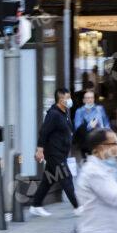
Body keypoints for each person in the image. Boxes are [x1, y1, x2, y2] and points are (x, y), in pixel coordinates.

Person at [30, 88, 80, 217]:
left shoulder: (65, 112)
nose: (70, 100)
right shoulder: (53, 114)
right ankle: (77, 206)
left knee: (48, 180)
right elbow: (44, 132)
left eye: (69, 97)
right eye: (67, 97)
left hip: (61, 152)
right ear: (60, 99)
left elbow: (70, 130)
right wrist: (39, 150)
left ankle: (35, 205)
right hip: (54, 152)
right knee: (66, 177)